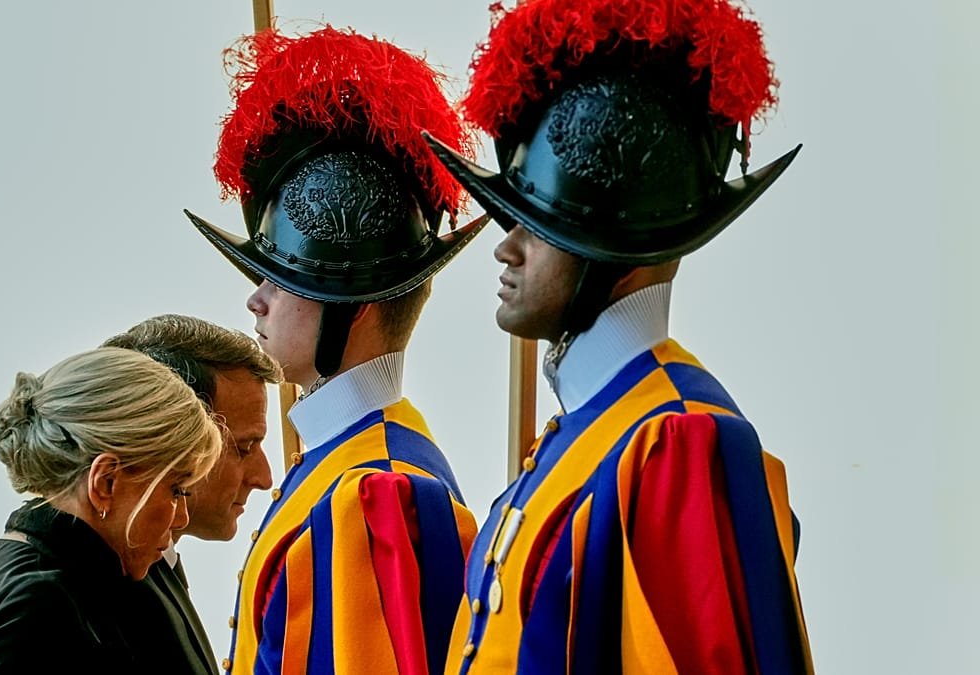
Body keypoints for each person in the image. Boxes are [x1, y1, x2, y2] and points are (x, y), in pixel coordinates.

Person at [421, 0, 815, 672]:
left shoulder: (682, 442)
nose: (505, 249)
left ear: (615, 241)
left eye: (537, 222)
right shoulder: (583, 434)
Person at [184, 26, 485, 675]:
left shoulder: (374, 493)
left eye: (283, 278)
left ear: (356, 301)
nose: (255, 300)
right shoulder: (343, 466)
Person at [0, 347, 221, 674]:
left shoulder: (14, 569)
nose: (181, 516)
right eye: (176, 490)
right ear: (106, 482)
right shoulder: (42, 606)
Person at [98, 314, 283, 675]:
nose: (264, 478)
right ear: (176, 437)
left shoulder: (146, 567)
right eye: (244, 448)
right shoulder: (60, 600)